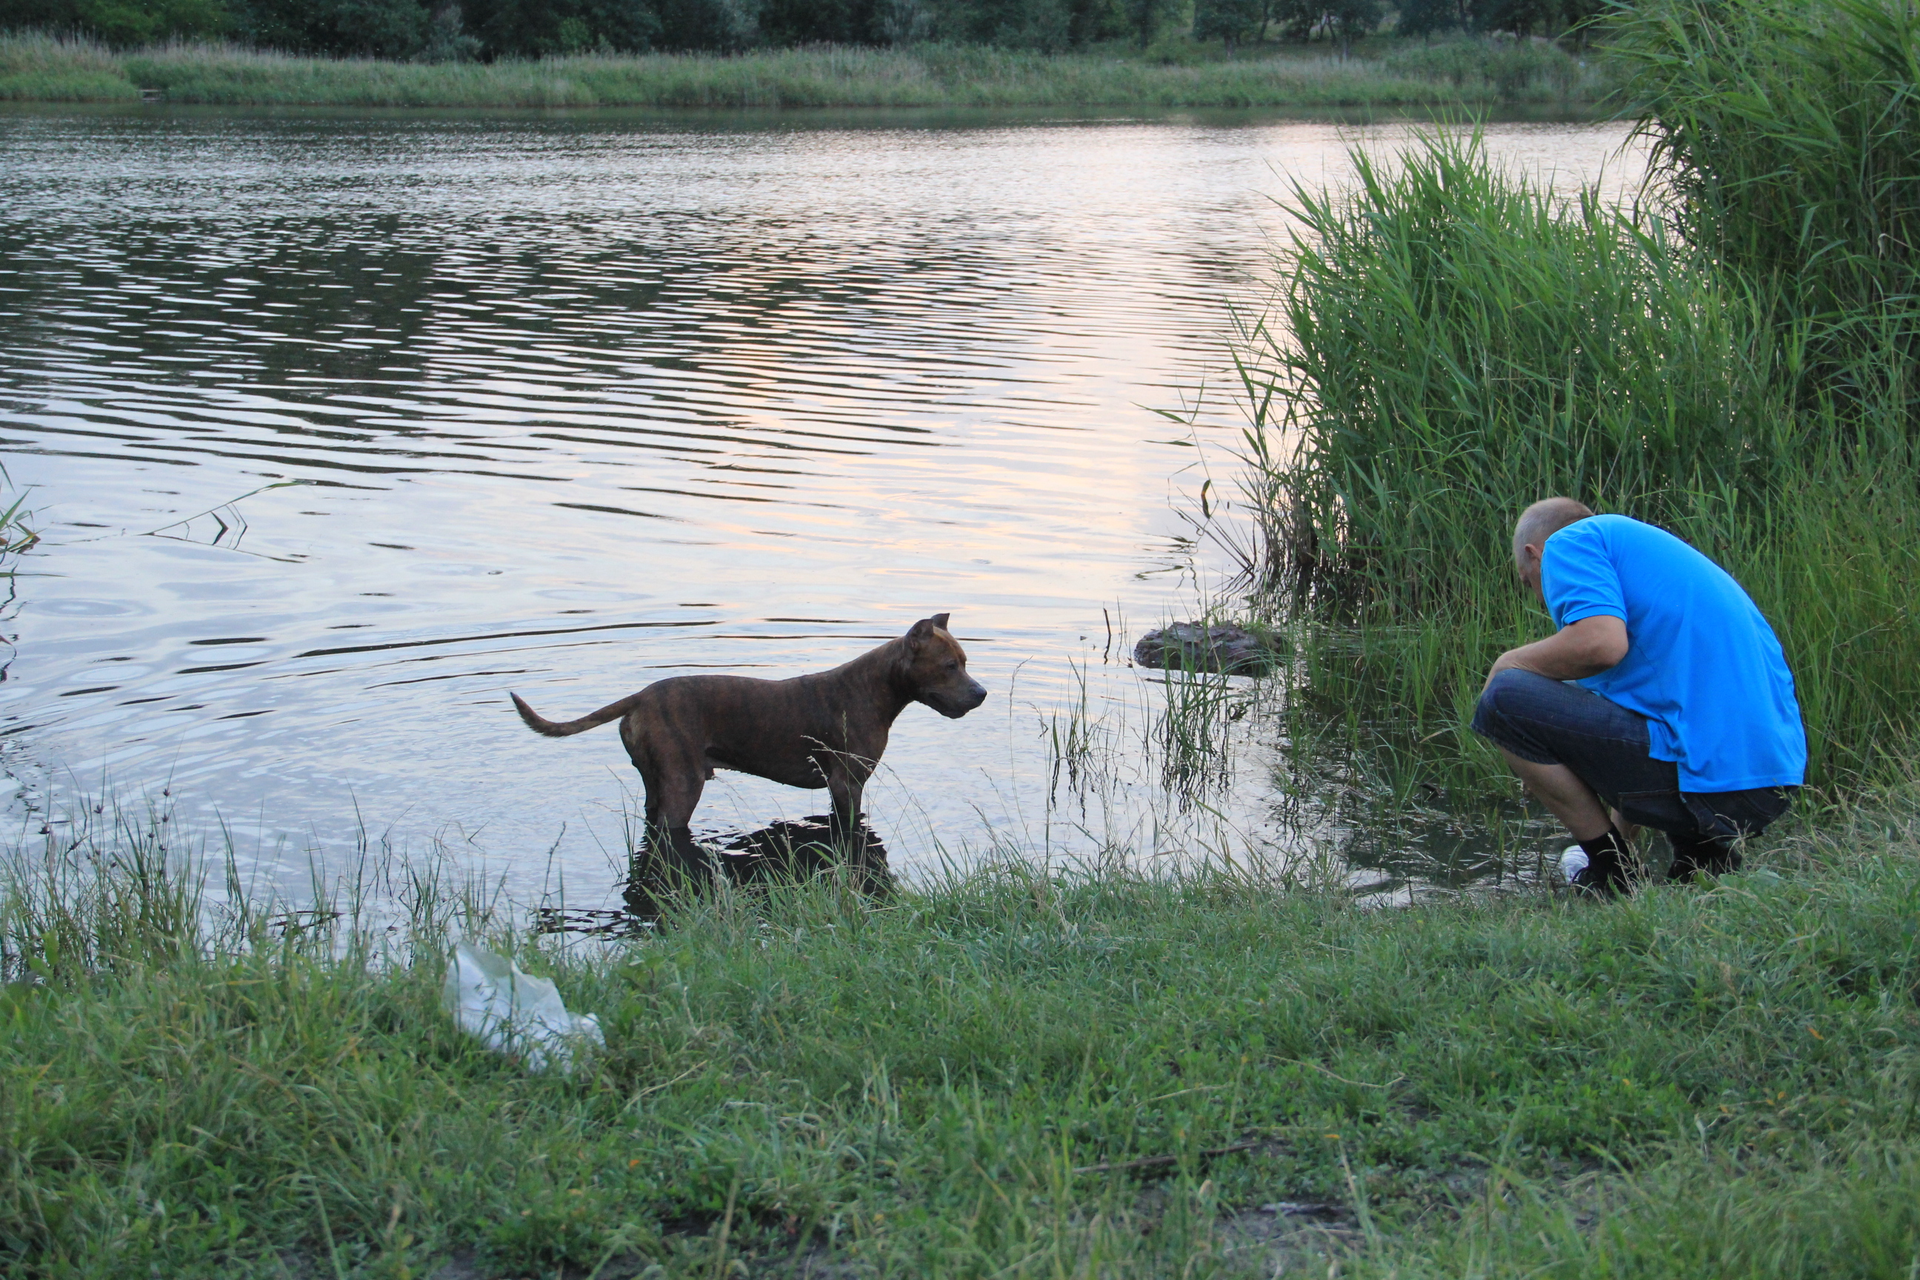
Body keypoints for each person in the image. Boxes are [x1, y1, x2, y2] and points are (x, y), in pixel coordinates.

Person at [1470, 498, 1805, 895]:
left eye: (1529, 583)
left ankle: (1612, 874)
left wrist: (1506, 664)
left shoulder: (1568, 543)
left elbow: (1601, 644)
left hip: (1717, 779)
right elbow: (1636, 720)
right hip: (1765, 784)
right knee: (1584, 708)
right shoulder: (1648, 562)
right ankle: (1703, 857)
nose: (1540, 601)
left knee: (1506, 698)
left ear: (1533, 554)